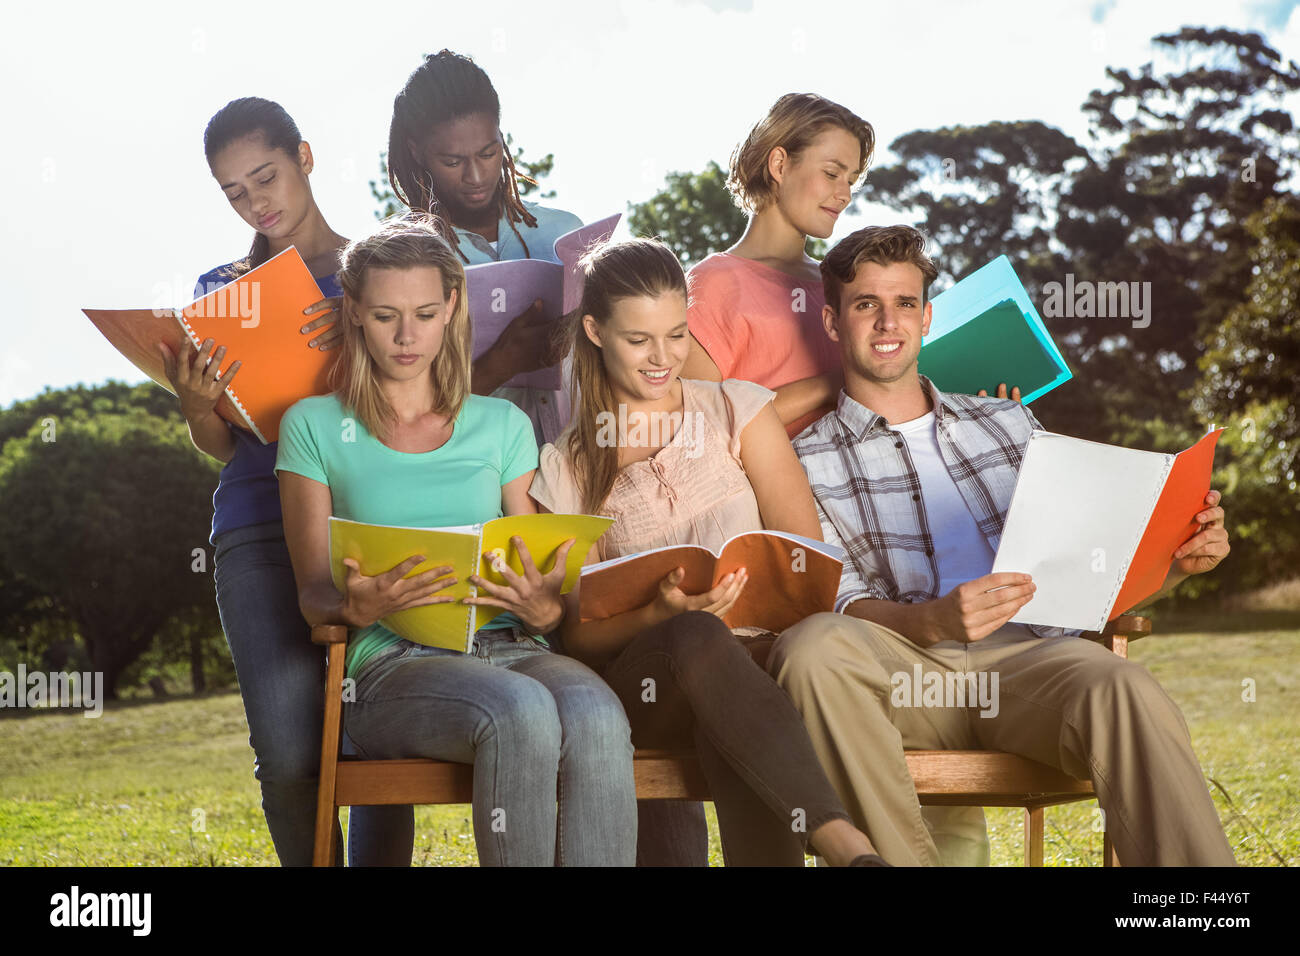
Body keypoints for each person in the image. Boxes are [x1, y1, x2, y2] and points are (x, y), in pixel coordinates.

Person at [770, 224, 1237, 866]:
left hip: (1028, 663)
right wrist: (927, 620)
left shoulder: (1007, 422)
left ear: (927, 316)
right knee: (813, 647)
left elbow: (1087, 561)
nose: (888, 322)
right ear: (831, 320)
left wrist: (1179, 562)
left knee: (1123, 687)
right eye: (865, 304)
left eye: (904, 303)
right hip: (904, 671)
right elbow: (837, 597)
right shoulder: (804, 457)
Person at [275, 216, 637, 866]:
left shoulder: (501, 424)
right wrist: (350, 607)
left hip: (512, 644)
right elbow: (312, 594)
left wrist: (545, 606)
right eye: (385, 315)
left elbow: (539, 567)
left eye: (422, 313)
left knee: (599, 715)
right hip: (391, 666)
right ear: (354, 312)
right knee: (521, 711)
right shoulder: (314, 426)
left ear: (450, 309)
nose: (406, 335)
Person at [528, 237, 888, 866]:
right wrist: (657, 616)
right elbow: (578, 638)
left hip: (758, 665)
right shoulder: (564, 467)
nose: (663, 358)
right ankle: (847, 846)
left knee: (732, 698)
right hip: (644, 688)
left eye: (676, 334)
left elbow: (810, 562)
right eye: (638, 340)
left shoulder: (737, 410)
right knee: (696, 634)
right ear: (594, 331)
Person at [161, 96, 401, 866]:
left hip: (369, 521)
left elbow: (426, 404)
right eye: (234, 192)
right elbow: (221, 444)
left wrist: (362, 343)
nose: (256, 201)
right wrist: (196, 405)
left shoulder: (384, 268)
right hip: (258, 530)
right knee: (292, 757)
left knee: (378, 749)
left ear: (303, 155)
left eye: (265, 176)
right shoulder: (221, 287)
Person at [386, 49, 581, 447]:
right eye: (452, 161)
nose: (476, 176)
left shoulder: (565, 232)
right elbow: (394, 417)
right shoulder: (397, 259)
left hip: (577, 464)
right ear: (416, 151)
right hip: (473, 483)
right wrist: (498, 366)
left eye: (488, 153)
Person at [680, 93, 874, 439]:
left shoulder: (844, 285)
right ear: (780, 165)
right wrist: (833, 384)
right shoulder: (712, 284)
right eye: (832, 174)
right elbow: (700, 429)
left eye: (851, 181)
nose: (845, 195)